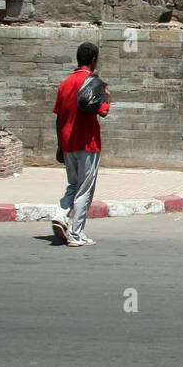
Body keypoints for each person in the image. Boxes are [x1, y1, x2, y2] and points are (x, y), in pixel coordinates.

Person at [52, 41, 111, 249]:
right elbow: (103, 111)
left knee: (73, 185)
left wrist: (60, 144)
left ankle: (60, 215)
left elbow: (58, 118)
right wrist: (108, 98)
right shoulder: (94, 83)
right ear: (94, 60)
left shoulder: (65, 83)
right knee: (85, 189)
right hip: (88, 143)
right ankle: (76, 235)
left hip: (67, 143)